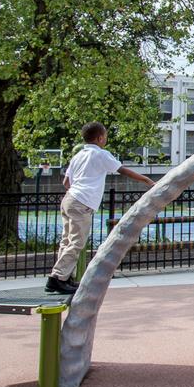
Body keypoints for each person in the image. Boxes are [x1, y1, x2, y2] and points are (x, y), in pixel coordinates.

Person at [46, 122, 155, 295]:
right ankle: (56, 279)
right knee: (76, 242)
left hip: (69, 199)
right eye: (105, 137)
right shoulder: (101, 154)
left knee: (66, 241)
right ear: (100, 138)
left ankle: (64, 277)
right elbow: (122, 170)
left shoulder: (78, 155)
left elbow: (66, 183)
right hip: (81, 202)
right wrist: (147, 180)